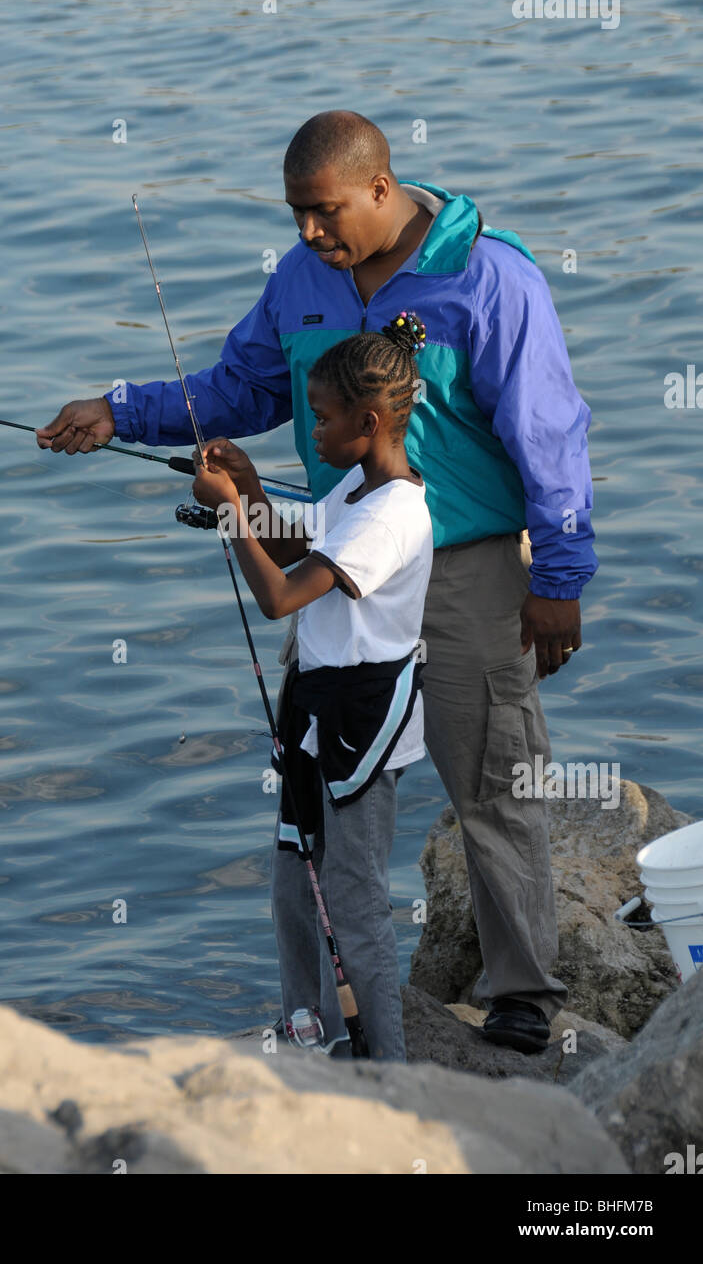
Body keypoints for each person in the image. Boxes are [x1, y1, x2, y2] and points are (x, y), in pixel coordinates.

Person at [36, 109, 598, 1055]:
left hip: (466, 567)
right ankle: (333, 995)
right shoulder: (303, 278)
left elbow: (549, 432)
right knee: (322, 790)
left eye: (323, 212)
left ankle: (523, 999)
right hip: (344, 566)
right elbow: (240, 390)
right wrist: (118, 410)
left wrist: (562, 575)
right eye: (296, 214)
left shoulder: (489, 274)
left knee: (491, 781)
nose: (307, 234)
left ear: (380, 189)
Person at [189, 311, 433, 1061]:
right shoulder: (356, 491)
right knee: (296, 882)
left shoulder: (394, 515)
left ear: (368, 420)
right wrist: (251, 488)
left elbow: (280, 597)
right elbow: (296, 540)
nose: (312, 429)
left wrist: (232, 517)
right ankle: (307, 1032)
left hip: (359, 724)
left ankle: (385, 1067)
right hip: (314, 714)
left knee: (353, 902)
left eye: (321, 418)